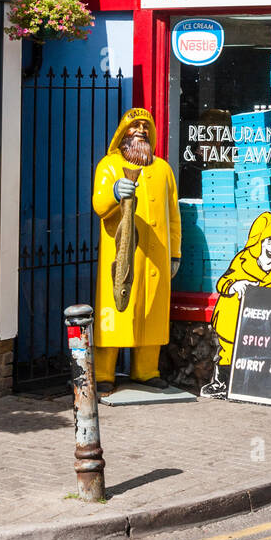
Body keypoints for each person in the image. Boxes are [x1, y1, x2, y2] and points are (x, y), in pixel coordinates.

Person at [92, 108, 181, 392]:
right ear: (123, 132)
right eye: (134, 126)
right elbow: (99, 205)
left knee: (150, 310)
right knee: (115, 310)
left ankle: (146, 369)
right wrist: (115, 192)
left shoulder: (164, 169)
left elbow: (174, 215)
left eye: (146, 126)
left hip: (156, 255)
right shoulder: (108, 165)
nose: (140, 130)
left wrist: (175, 252)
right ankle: (104, 373)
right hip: (120, 251)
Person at [201, 211, 271, 399]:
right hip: (238, 324)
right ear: (261, 242)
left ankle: (264, 386)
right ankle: (223, 382)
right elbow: (223, 283)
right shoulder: (244, 260)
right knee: (229, 348)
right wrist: (236, 285)